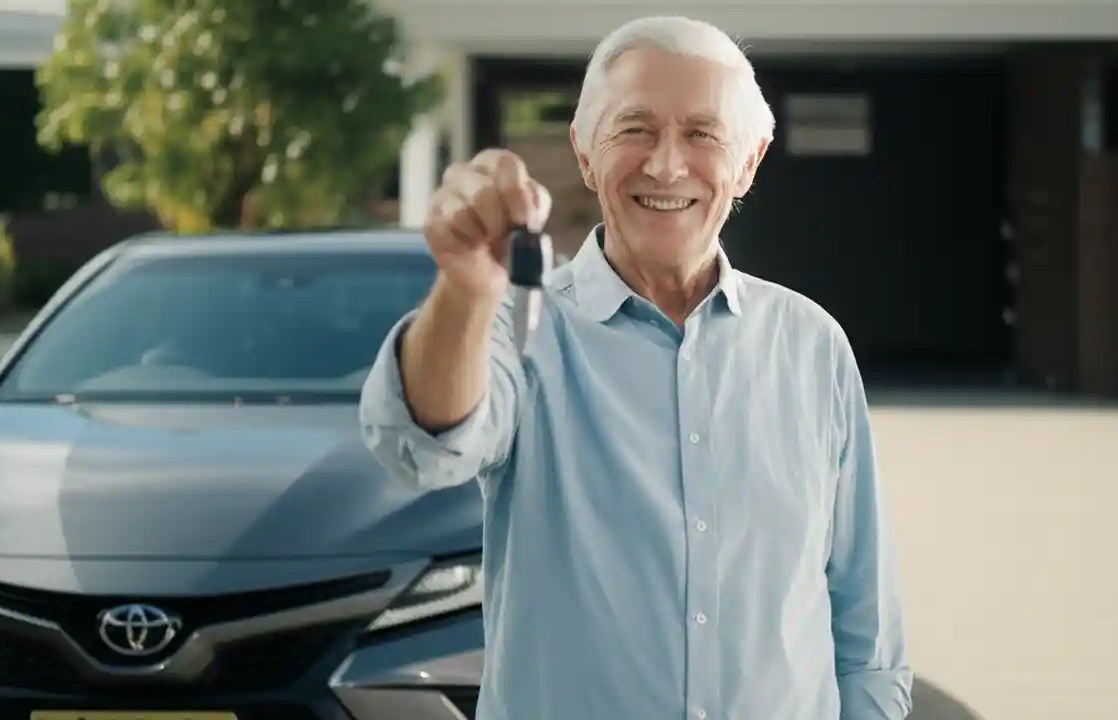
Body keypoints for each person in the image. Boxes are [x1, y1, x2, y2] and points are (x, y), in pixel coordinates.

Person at [359, 15, 912, 720]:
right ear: (585, 153)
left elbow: (865, 633)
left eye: (702, 134)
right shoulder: (517, 327)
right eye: (634, 129)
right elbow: (426, 447)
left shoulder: (812, 345)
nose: (665, 165)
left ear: (749, 159)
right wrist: (465, 291)